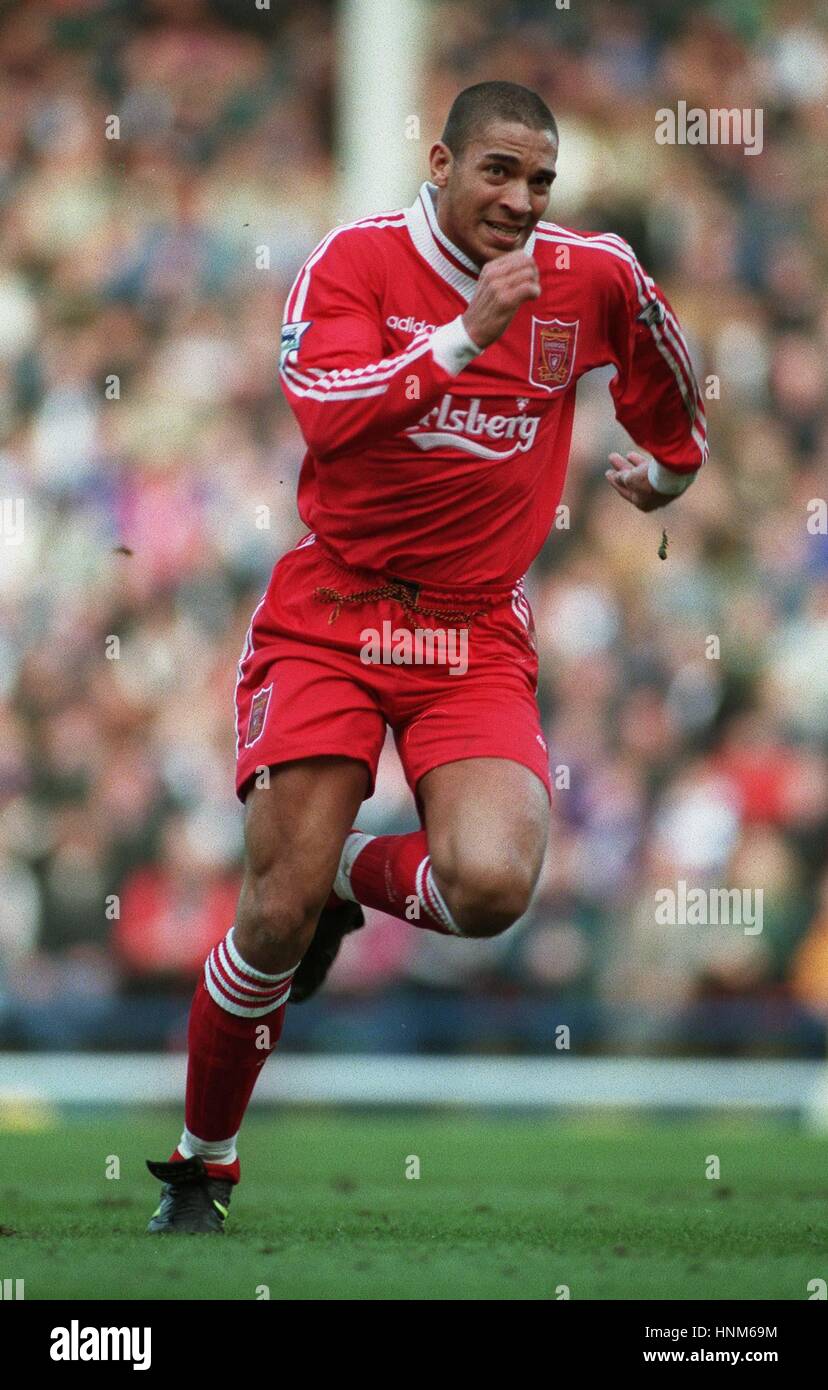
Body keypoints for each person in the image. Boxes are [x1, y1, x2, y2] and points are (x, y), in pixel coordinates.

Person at [146, 80, 707, 1232]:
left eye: (541, 180)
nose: (522, 200)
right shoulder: (353, 263)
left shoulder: (589, 275)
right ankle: (204, 1162)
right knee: (272, 910)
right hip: (335, 612)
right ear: (442, 161)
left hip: (473, 627)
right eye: (499, 171)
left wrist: (670, 470)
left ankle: (355, 875)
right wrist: (464, 337)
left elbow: (666, 373)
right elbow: (326, 408)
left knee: (497, 882)